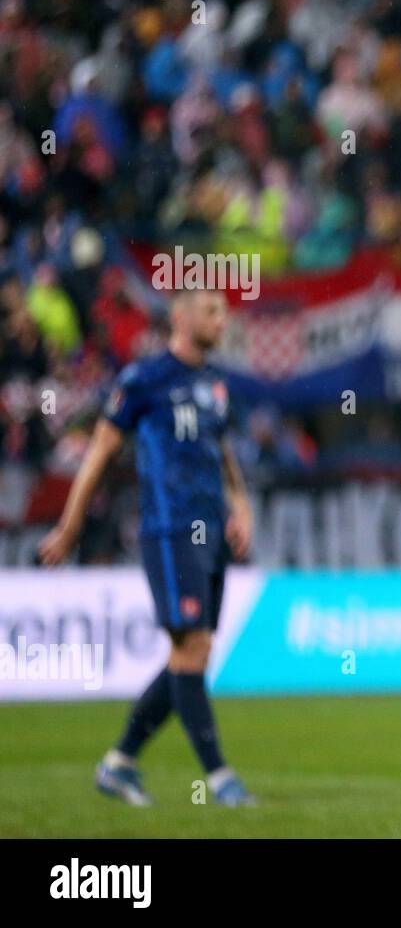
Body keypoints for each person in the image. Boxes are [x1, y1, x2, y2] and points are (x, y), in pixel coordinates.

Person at [39, 284, 256, 807]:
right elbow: (98, 453)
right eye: (210, 311)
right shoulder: (144, 381)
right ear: (180, 318)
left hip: (211, 530)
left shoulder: (215, 386)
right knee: (191, 647)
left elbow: (222, 452)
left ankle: (119, 763)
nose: (221, 320)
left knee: (192, 653)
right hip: (168, 530)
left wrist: (241, 506)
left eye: (223, 312)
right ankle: (220, 777)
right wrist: (69, 526)